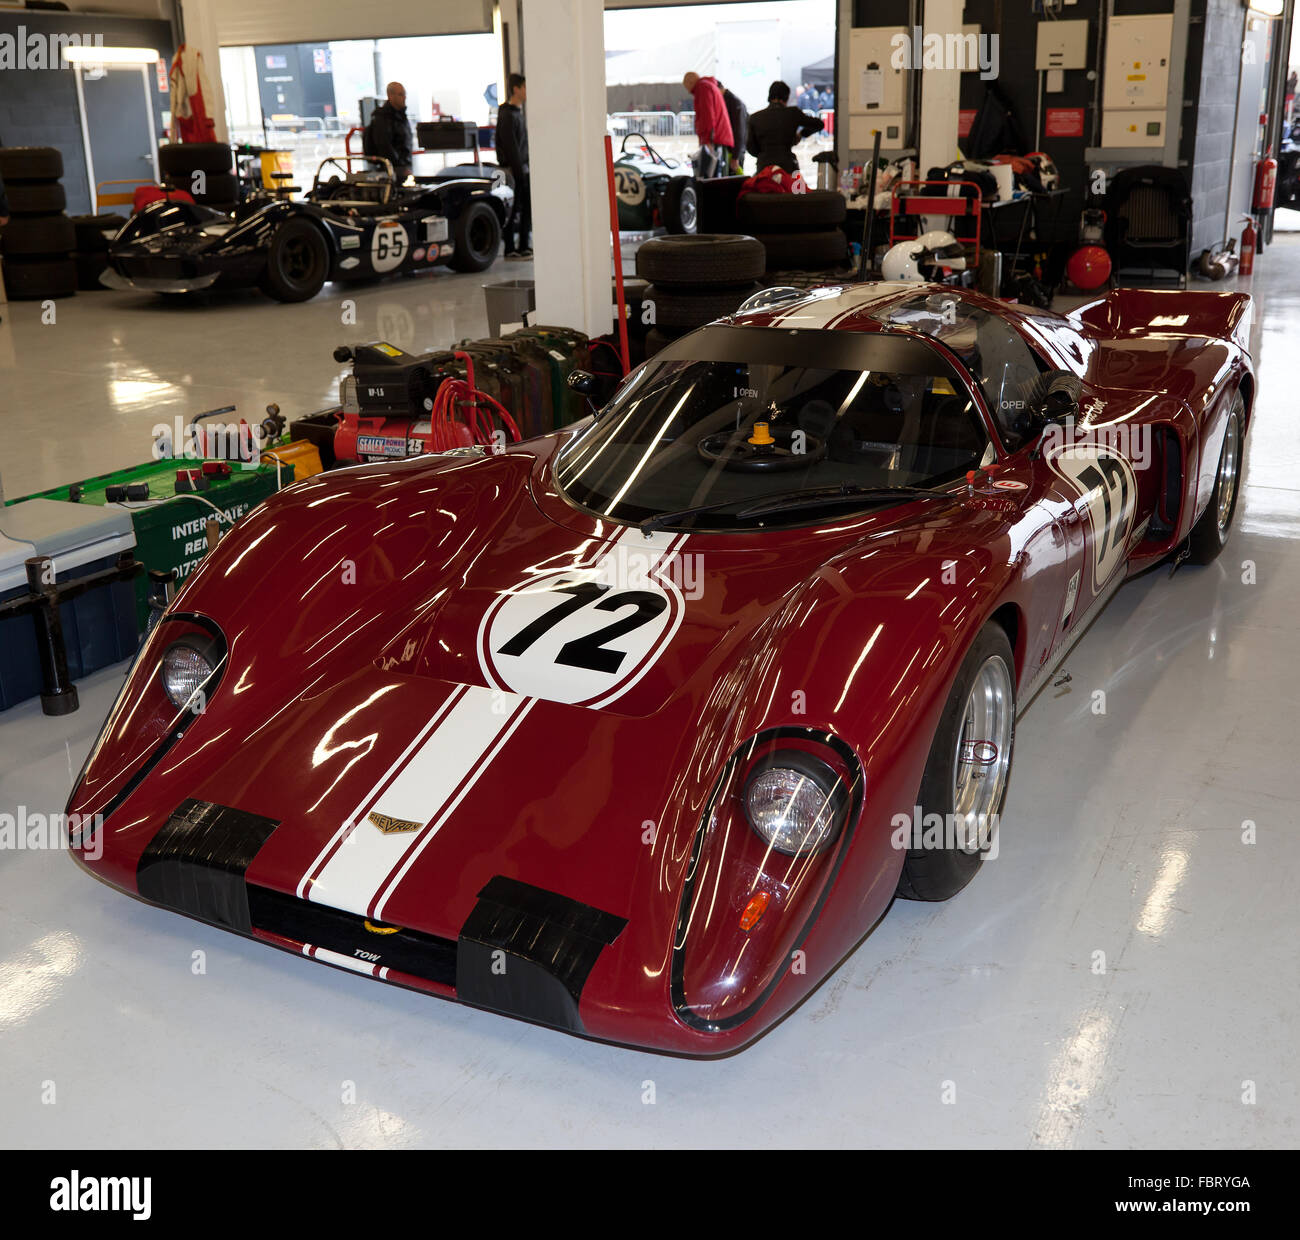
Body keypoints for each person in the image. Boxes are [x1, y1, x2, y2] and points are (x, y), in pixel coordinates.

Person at [746, 80, 825, 175]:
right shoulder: (793, 113)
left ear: (770, 96)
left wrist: (764, 153)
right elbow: (819, 124)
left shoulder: (755, 118)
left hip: (764, 167)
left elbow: (750, 147)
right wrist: (802, 134)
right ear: (786, 97)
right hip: (788, 166)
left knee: (764, 188)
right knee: (797, 189)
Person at [497, 72, 531, 259]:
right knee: (512, 208)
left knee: (526, 207)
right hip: (513, 171)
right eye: (525, 87)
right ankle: (510, 248)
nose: (527, 91)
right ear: (516, 89)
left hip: (523, 169)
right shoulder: (507, 116)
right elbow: (510, 147)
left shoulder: (518, 114)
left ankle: (524, 245)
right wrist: (518, 172)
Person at [682, 71, 733, 179]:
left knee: (711, 179)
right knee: (718, 177)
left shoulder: (702, 88)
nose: (688, 91)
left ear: (690, 82)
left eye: (686, 86)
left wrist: (707, 141)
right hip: (719, 138)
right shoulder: (708, 86)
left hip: (715, 140)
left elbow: (707, 116)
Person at [364, 81, 413, 182]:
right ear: (390, 96)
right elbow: (384, 146)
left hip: (403, 167)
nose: (404, 97)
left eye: (404, 94)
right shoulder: (382, 119)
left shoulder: (401, 117)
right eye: (401, 94)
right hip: (392, 171)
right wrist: (399, 166)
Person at [716, 80, 749, 175]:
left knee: (735, 183)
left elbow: (739, 131)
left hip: (735, 152)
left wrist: (735, 157)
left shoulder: (735, 103)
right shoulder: (725, 101)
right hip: (730, 151)